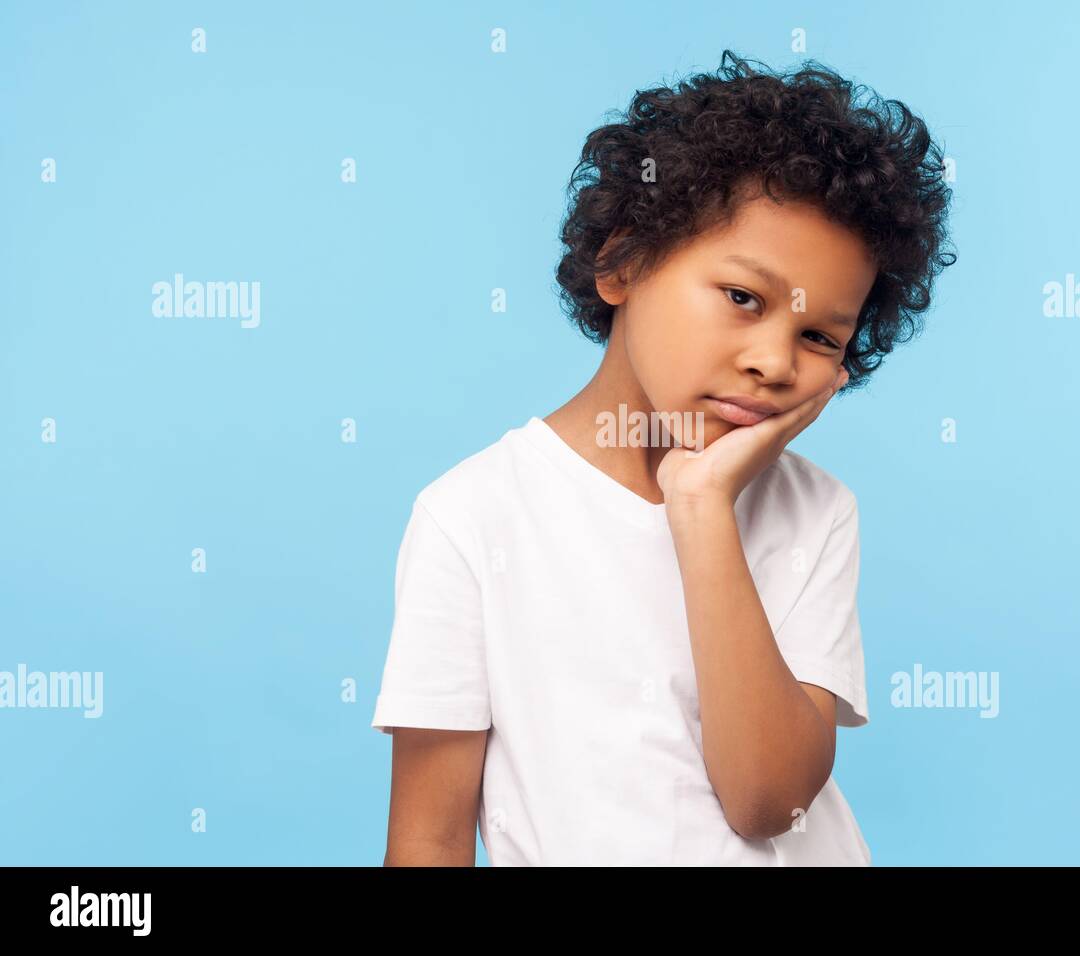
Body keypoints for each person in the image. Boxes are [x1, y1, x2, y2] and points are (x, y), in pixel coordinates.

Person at [372, 49, 956, 865]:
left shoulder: (816, 511)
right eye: (743, 298)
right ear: (623, 263)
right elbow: (429, 839)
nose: (776, 362)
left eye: (820, 336)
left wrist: (700, 505)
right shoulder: (474, 517)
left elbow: (768, 800)